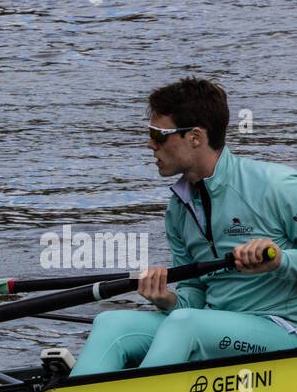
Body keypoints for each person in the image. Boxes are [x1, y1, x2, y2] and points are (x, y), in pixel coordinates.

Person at [72, 78, 297, 376]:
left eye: (159, 134)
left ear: (195, 137)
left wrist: (280, 259)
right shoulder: (179, 208)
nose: (150, 143)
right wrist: (167, 299)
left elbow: (189, 318)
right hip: (215, 325)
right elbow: (194, 294)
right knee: (113, 324)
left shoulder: (277, 187)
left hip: (282, 329)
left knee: (185, 325)